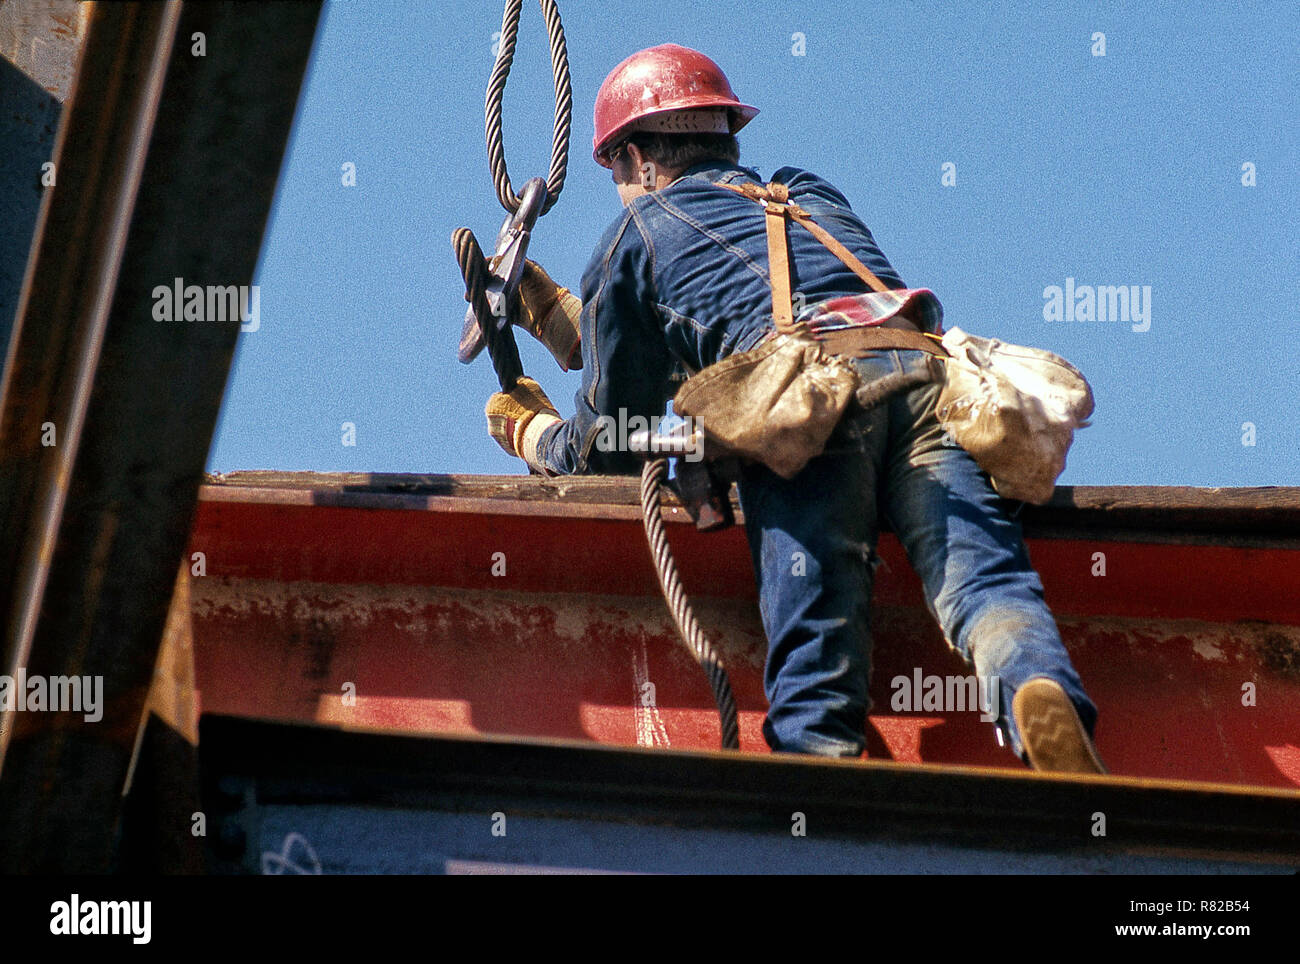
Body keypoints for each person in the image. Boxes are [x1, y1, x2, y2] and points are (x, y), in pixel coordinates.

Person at [485, 44, 1105, 773]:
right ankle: (1036, 686)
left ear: (637, 158)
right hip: (930, 382)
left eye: (616, 171)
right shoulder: (808, 193)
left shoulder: (635, 232)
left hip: (813, 404)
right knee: (985, 583)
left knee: (816, 652)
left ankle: (818, 789)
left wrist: (536, 434)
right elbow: (765, 287)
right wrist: (572, 323)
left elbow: (611, 442)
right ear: (725, 135)